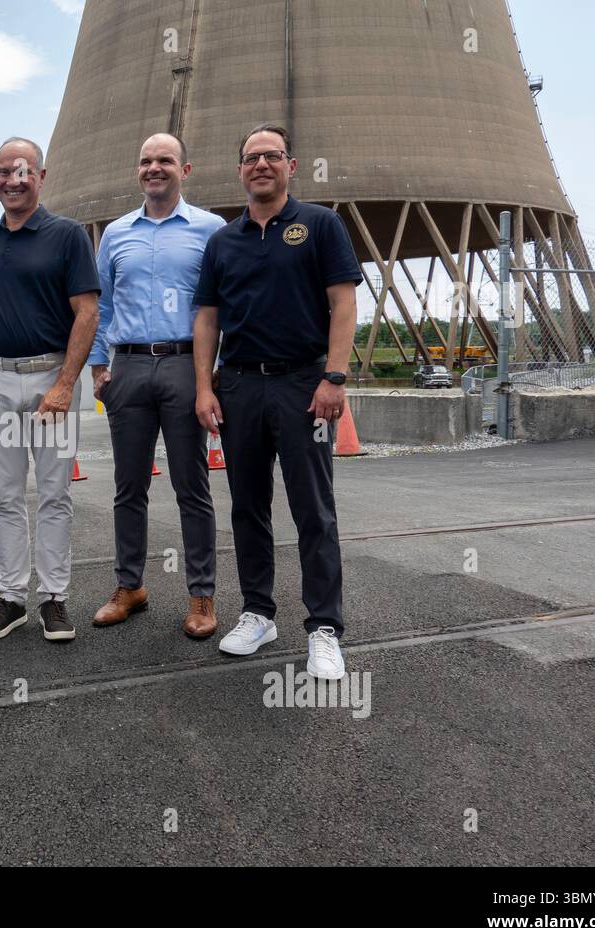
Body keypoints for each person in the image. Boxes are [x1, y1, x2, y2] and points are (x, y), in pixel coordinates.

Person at [192, 123, 362, 680]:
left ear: (291, 164)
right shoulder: (223, 241)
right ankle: (258, 612)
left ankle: (324, 628)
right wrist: (203, 387)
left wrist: (333, 378)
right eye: (250, 158)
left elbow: (342, 304)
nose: (260, 165)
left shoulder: (320, 225)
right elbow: (208, 319)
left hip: (303, 385)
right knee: (247, 505)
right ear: (239, 169)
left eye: (271, 156)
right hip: (239, 386)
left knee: (313, 506)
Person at [88, 133, 225, 639]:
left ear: (184, 169)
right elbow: (101, 307)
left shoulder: (210, 229)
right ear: (137, 170)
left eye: (165, 160)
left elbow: (221, 307)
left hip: (185, 366)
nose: (154, 168)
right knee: (129, 487)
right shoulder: (117, 233)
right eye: (146, 161)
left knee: (193, 487)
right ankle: (130, 586)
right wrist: (99, 369)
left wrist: (211, 375)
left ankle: (202, 595)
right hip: (127, 369)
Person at [0, 137, 100, 642]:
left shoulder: (67, 236)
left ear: (41, 177)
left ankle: (54, 598)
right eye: (4, 171)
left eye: (23, 171)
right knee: (5, 495)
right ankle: (10, 597)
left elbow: (87, 312)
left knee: (54, 493)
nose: (13, 180)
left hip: (51, 379)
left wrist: (66, 384)